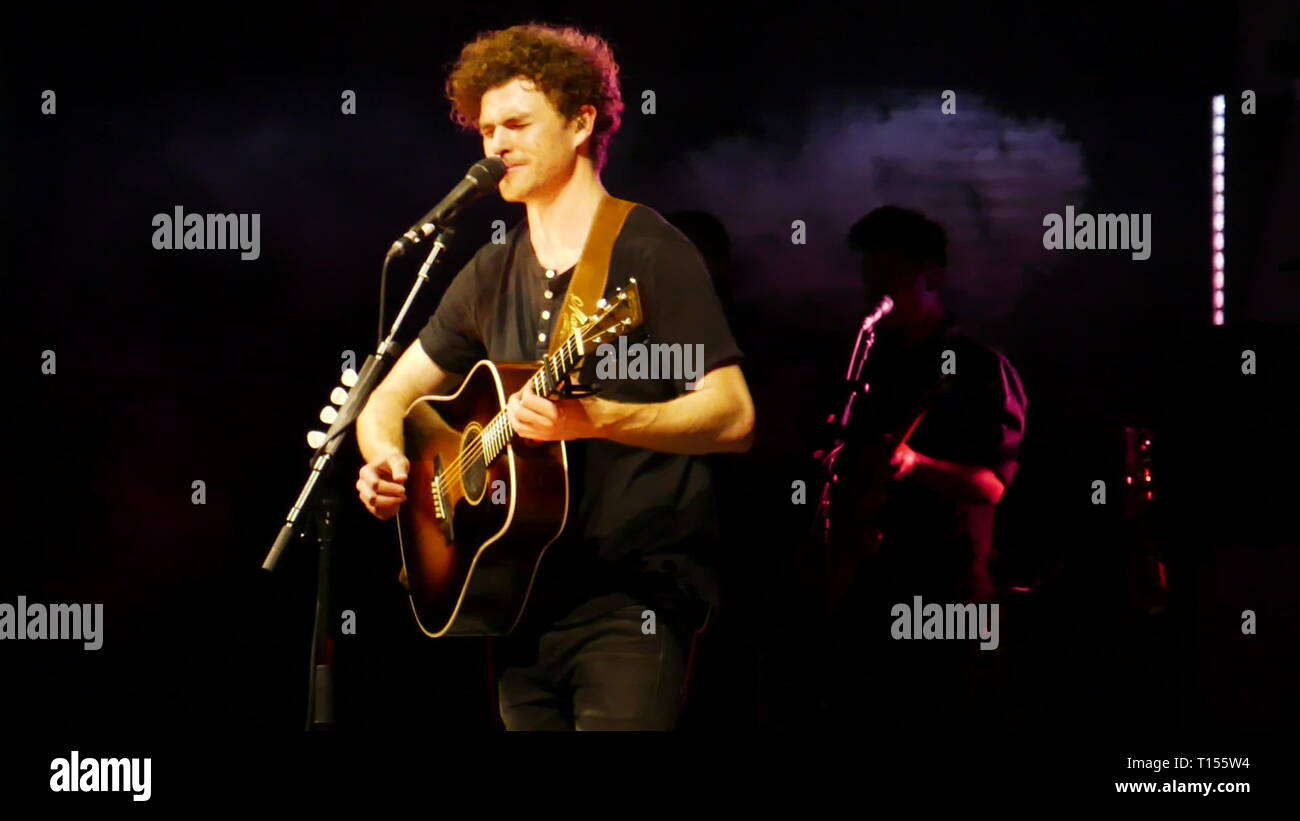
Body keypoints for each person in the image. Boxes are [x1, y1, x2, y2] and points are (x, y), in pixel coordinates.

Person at [354, 23, 754, 731]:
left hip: (634, 596)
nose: (495, 145)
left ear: (580, 123)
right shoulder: (488, 271)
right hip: (517, 593)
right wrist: (388, 460)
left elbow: (733, 415)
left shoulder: (650, 252)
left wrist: (597, 418)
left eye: (517, 125)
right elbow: (387, 397)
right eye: (486, 130)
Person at [823, 205, 1027, 731]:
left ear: (932, 275)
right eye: (871, 275)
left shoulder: (979, 367)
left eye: (891, 275)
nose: (877, 291)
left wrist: (916, 465)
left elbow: (992, 486)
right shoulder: (866, 362)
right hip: (869, 586)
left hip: (944, 590)